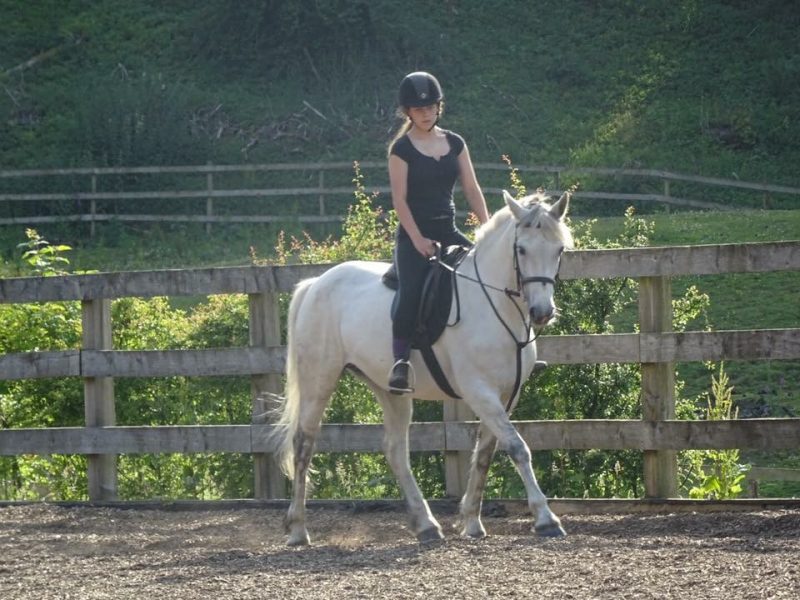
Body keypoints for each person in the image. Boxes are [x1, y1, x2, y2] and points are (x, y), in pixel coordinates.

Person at [387, 71, 490, 394]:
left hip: (449, 231)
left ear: (438, 107)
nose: (426, 113)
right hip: (414, 236)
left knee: (489, 279)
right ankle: (400, 362)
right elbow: (399, 201)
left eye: (431, 107)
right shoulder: (401, 150)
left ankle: (500, 351)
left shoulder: (455, 143)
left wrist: (487, 229)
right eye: (419, 109)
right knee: (411, 293)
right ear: (408, 112)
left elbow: (472, 190)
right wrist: (417, 240)